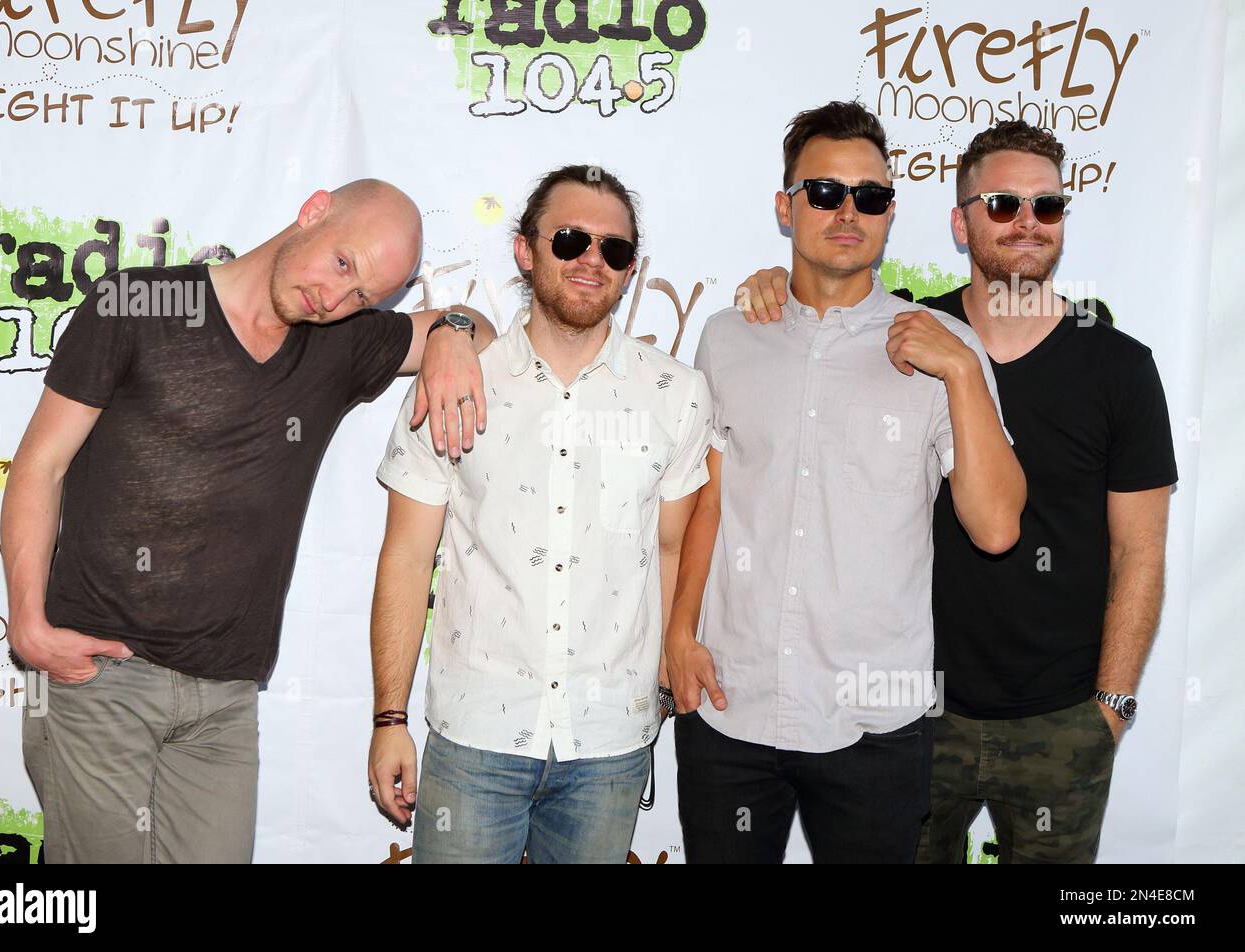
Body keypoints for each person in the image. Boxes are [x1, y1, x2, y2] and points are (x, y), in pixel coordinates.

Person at [2, 179, 494, 863]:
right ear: (314, 210)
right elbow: (40, 465)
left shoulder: (340, 343)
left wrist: (453, 334)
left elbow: (477, 325)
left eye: (362, 295)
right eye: (342, 263)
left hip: (226, 700)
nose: (333, 297)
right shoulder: (136, 301)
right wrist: (26, 621)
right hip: (101, 676)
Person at [736, 120, 1177, 863]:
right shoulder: (901, 334)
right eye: (1003, 204)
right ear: (960, 222)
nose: (1028, 222)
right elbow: (820, 316)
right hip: (912, 715)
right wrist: (772, 286)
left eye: (1047, 205)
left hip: (1064, 721)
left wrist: (1111, 707)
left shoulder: (1120, 366)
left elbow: (1141, 551)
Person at [666, 102, 1024, 863]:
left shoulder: (946, 349)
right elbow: (710, 497)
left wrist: (963, 370)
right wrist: (679, 633)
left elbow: (996, 527)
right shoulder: (728, 336)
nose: (848, 211)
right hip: (730, 701)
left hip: (875, 722)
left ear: (891, 211)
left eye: (871, 195)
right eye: (826, 192)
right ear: (785, 207)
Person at [368, 165, 712, 863]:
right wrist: (389, 718)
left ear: (631, 268)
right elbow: (406, 557)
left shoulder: (676, 394)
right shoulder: (455, 382)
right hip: (474, 736)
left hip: (610, 743)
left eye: (614, 249)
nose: (592, 260)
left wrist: (659, 677)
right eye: (571, 239)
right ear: (525, 250)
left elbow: (671, 549)